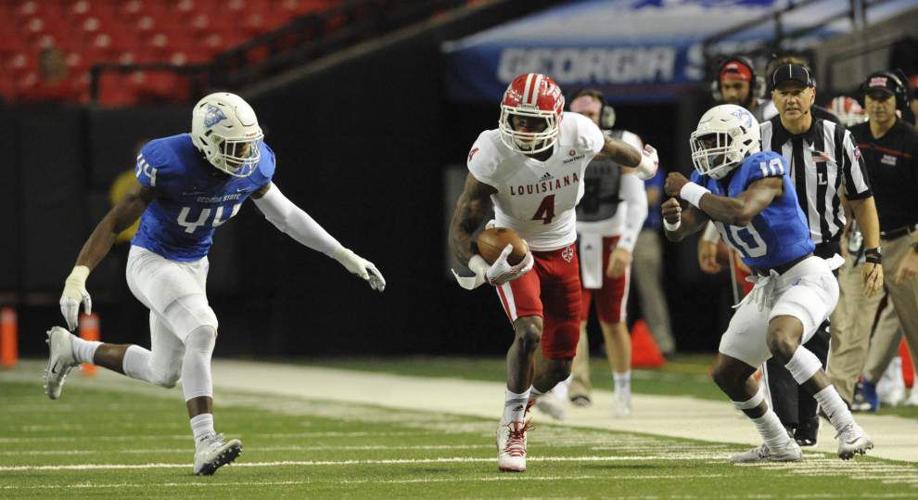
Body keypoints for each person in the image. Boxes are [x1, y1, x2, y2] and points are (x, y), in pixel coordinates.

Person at [44, 92, 386, 475]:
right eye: (235, 146)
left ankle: (73, 348)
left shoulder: (254, 166)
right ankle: (205, 441)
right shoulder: (169, 161)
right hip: (152, 261)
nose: (245, 154)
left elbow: (287, 216)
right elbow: (114, 222)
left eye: (248, 144)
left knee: (163, 372)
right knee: (203, 328)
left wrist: (343, 254)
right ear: (206, 141)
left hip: (194, 267)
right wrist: (78, 274)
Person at [448, 73, 658, 473]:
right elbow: (460, 226)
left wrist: (645, 163)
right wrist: (480, 267)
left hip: (563, 249)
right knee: (529, 331)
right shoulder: (492, 150)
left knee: (561, 366)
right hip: (515, 249)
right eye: (517, 119)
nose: (523, 130)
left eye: (533, 122)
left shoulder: (578, 132)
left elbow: (613, 149)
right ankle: (514, 428)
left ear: (557, 120)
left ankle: (520, 405)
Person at [662, 103, 873, 463]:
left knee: (781, 340)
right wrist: (671, 220)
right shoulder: (707, 180)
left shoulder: (765, 165)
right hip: (767, 286)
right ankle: (778, 443)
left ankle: (849, 427)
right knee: (728, 373)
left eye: (716, 141)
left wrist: (688, 190)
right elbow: (682, 231)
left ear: (742, 139)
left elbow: (740, 212)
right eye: (705, 142)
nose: (708, 150)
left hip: (807, 275)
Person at [759, 63, 881, 446]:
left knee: (812, 337)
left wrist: (874, 254)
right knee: (777, 337)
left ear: (812, 94)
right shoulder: (759, 137)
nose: (791, 99)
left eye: (798, 91)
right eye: (783, 92)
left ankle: (805, 424)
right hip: (776, 254)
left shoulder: (837, 137)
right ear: (773, 97)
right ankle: (789, 426)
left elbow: (862, 198)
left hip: (822, 253)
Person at [562, 89, 648, 416]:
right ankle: (575, 386)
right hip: (573, 237)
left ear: (604, 117)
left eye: (591, 115)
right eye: (580, 115)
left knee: (613, 320)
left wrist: (626, 246)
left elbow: (637, 202)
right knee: (573, 318)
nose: (586, 122)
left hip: (611, 235)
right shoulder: (560, 144)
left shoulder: (622, 142)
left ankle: (622, 391)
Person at [847, 70, 918, 410]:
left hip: (906, 239)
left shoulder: (911, 141)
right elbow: (843, 190)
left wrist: (916, 251)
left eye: (885, 98)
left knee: (912, 320)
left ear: (897, 101)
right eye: (872, 98)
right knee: (851, 318)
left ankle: (870, 382)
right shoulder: (853, 137)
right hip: (865, 243)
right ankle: (851, 388)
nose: (877, 105)